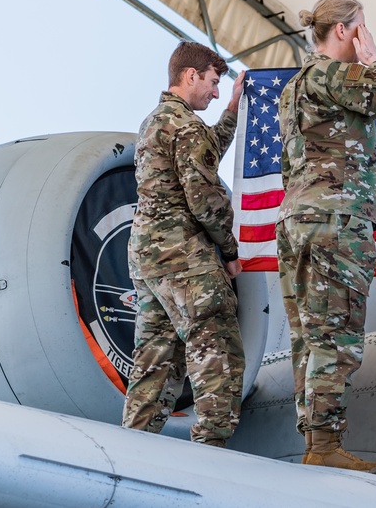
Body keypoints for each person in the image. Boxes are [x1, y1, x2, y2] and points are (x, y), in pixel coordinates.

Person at [276, 0, 376, 474]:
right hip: (334, 220)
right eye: (361, 28)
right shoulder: (334, 74)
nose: (365, 36)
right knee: (335, 334)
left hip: (298, 219)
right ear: (342, 31)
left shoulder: (294, 87)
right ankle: (326, 444)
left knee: (308, 337)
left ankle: (316, 441)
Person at [123, 40, 247, 448]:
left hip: (148, 260)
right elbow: (205, 198)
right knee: (217, 349)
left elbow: (203, 156)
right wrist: (229, 252)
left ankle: (133, 450)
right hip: (185, 259)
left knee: (154, 361)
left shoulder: (155, 122)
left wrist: (231, 110)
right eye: (212, 82)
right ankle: (210, 455)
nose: (215, 91)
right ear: (190, 75)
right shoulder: (188, 127)